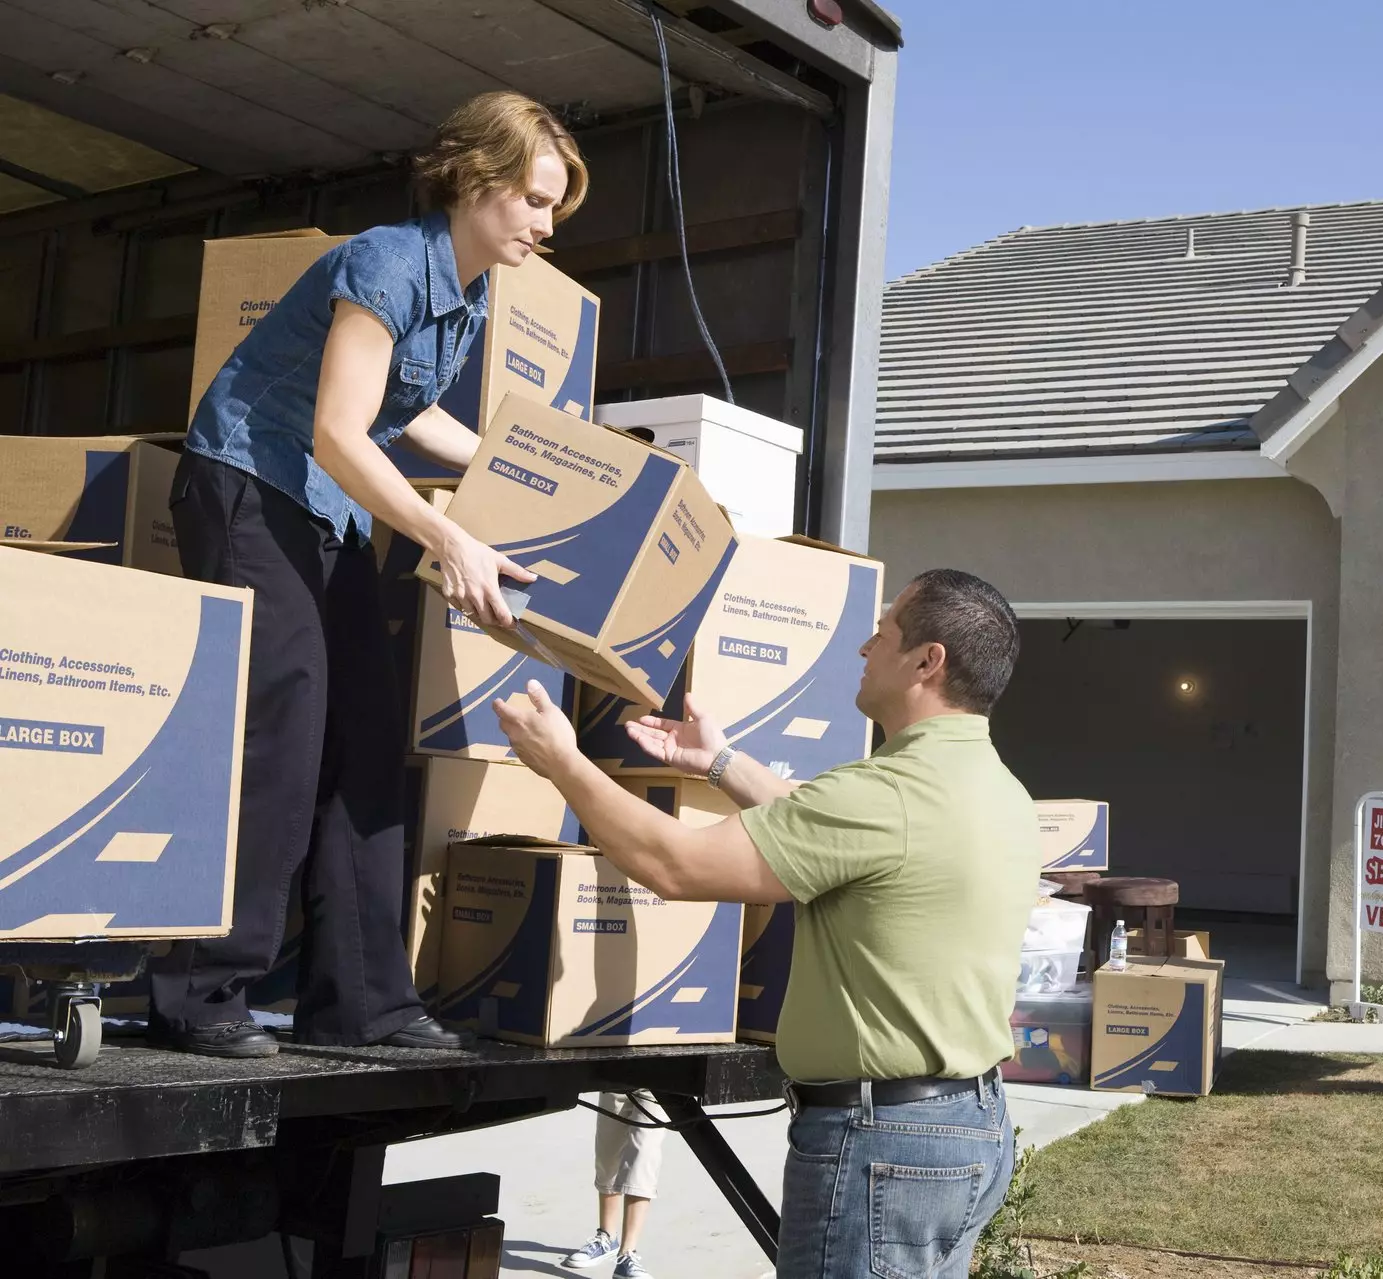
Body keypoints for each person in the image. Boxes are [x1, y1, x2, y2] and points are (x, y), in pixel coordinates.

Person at [147, 92, 590, 1058]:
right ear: (477, 180)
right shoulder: (387, 260)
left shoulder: (467, 295)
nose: (547, 225)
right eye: (534, 199)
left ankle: (365, 1002)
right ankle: (197, 993)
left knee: (369, 735)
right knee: (287, 725)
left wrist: (514, 478)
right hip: (248, 484)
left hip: (322, 508)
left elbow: (405, 413)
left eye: (555, 206)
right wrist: (451, 536)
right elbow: (339, 431)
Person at [495, 569, 1041, 1279]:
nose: (864, 647)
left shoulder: (888, 795)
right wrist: (718, 762)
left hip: (883, 1144)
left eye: (883, 631)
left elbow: (676, 865)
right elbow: (830, 830)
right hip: (966, 1128)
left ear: (926, 660)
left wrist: (564, 762)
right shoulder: (997, 790)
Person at [563, 1091, 664, 1278]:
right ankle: (607, 1237)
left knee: (643, 1156)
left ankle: (627, 1254)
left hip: (658, 1079)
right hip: (616, 1073)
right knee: (607, 1155)